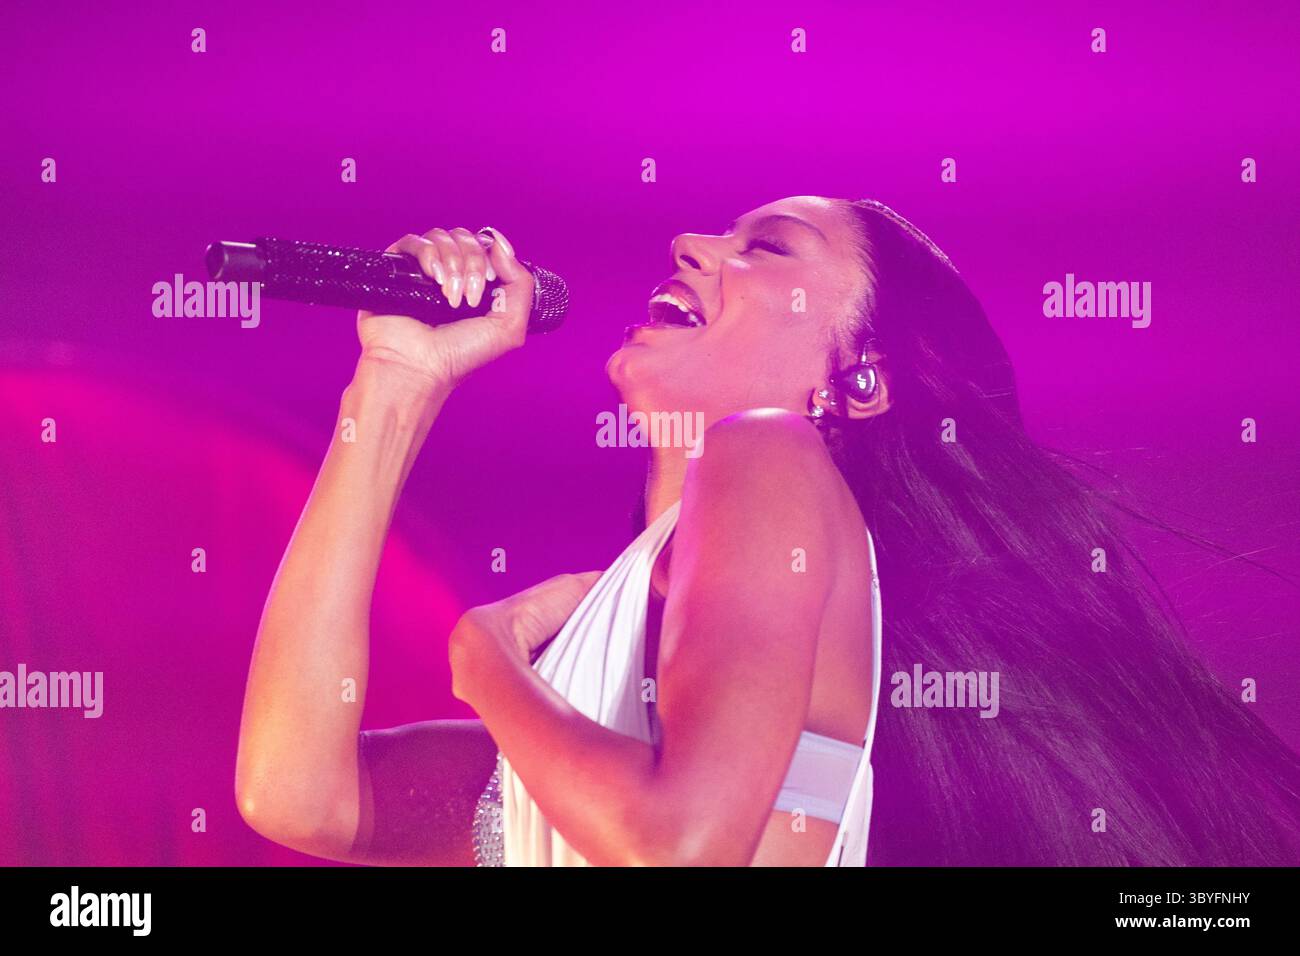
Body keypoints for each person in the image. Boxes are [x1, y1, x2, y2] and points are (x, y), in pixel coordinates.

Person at [236, 196, 1300, 867]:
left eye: (765, 246)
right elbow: (296, 793)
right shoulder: (599, 699)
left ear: (860, 380)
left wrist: (479, 653)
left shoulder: (766, 453)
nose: (690, 241)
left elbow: (676, 844)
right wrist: (394, 385)